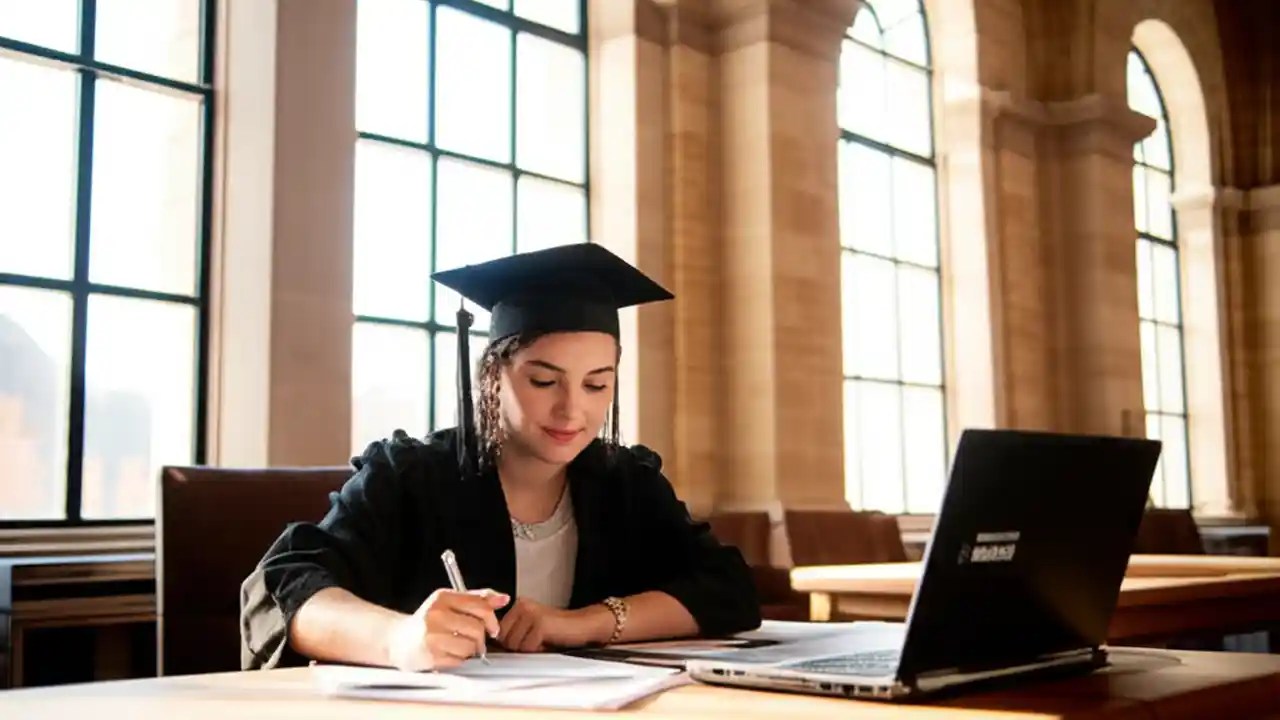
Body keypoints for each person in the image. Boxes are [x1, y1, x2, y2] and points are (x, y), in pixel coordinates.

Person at [240, 243, 761, 672]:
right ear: (492, 376)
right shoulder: (411, 477)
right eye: (543, 380)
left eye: (597, 385)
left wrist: (585, 621)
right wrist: (399, 638)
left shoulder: (624, 483)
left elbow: (726, 589)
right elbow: (284, 586)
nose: (572, 409)